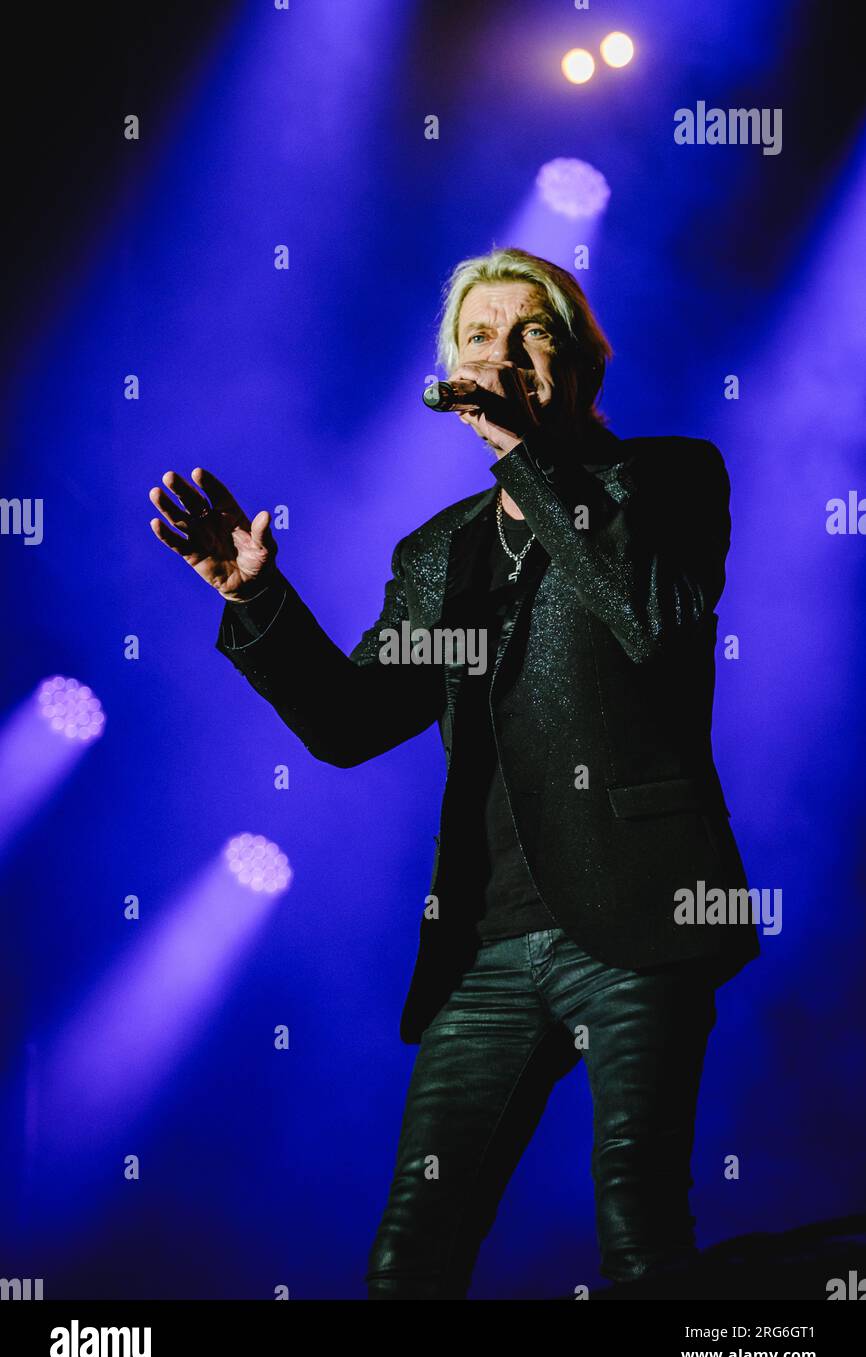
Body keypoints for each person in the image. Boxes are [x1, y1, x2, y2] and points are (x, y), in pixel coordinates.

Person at [148, 247, 760, 1299]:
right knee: (411, 1250)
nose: (501, 354)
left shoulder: (663, 480)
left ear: (578, 365)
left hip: (638, 913)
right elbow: (349, 722)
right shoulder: (440, 553)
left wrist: (531, 460)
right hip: (487, 947)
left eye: (531, 333)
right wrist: (257, 602)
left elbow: (652, 623)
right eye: (478, 336)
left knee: (637, 1212)